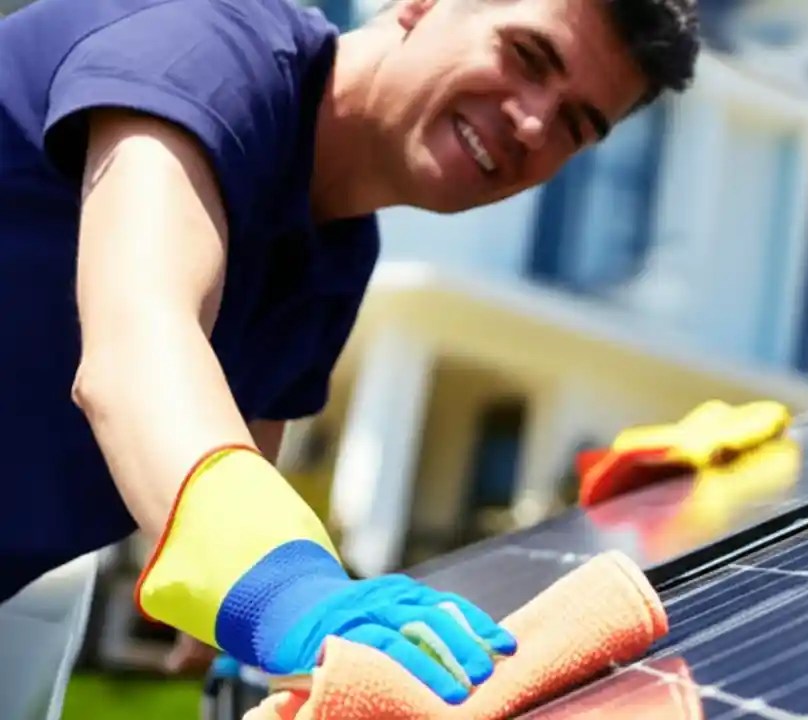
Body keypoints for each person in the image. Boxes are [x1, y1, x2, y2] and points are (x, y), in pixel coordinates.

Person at [0, 0, 699, 706]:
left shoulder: (332, 264)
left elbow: (236, 470)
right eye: (526, 55)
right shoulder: (204, 53)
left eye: (574, 126)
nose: (531, 123)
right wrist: (286, 594)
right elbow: (137, 344)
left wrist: (241, 650)